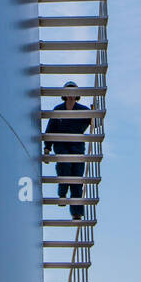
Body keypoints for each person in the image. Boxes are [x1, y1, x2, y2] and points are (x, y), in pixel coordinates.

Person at [43, 81, 91, 221]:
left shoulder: (83, 111)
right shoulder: (58, 110)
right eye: (68, 92)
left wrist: (95, 113)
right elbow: (50, 129)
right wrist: (47, 148)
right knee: (64, 165)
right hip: (62, 144)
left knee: (76, 178)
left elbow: (95, 124)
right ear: (64, 94)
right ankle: (62, 195)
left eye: (73, 92)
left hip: (77, 147)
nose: (70, 95)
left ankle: (76, 213)